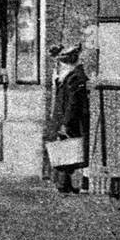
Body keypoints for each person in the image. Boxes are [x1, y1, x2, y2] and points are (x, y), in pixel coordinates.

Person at [49, 44, 89, 193]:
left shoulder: (74, 77)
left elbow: (73, 103)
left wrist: (66, 123)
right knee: (65, 148)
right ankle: (65, 183)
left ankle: (65, 183)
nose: (59, 66)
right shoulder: (69, 76)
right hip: (66, 118)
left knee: (69, 149)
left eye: (61, 62)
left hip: (72, 120)